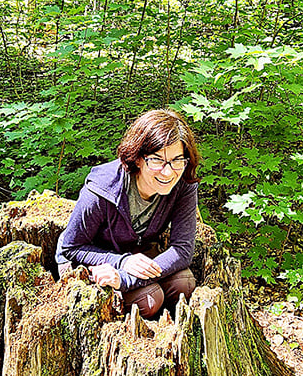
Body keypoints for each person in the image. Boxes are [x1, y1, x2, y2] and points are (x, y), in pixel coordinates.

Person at [56, 109, 200, 318]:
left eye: (177, 160)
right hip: (90, 256)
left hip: (136, 251)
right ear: (139, 158)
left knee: (183, 284)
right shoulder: (101, 190)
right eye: (157, 160)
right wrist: (121, 263)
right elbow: (72, 247)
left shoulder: (183, 183)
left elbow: (182, 249)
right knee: (149, 300)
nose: (168, 172)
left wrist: (125, 279)